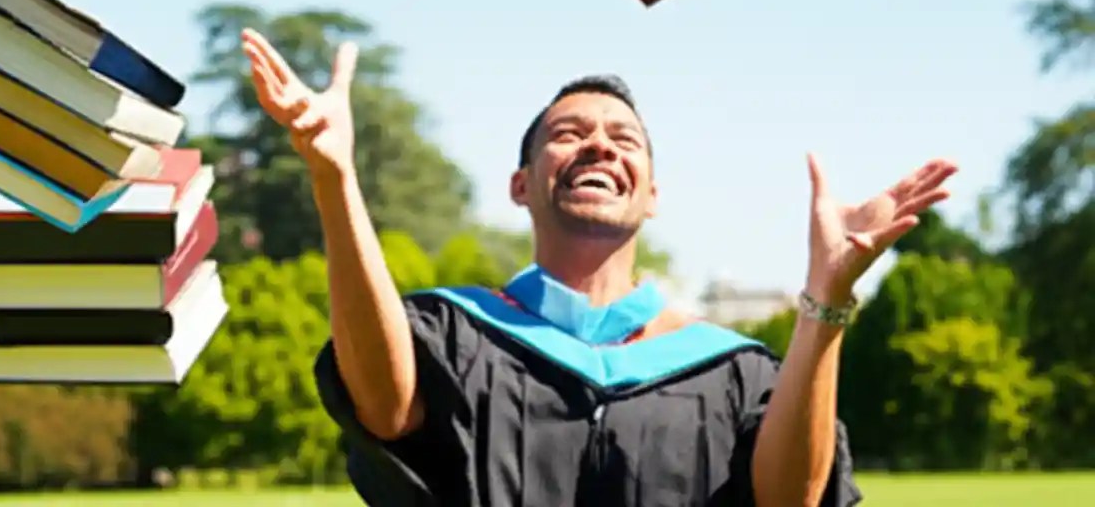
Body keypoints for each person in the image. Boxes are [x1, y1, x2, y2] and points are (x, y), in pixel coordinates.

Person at [241, 29, 957, 506]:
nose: (598, 147)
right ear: (521, 184)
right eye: (567, 135)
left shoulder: (732, 372)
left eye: (624, 140)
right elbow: (385, 404)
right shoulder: (455, 335)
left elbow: (790, 499)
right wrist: (335, 178)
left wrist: (825, 295)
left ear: (651, 194)